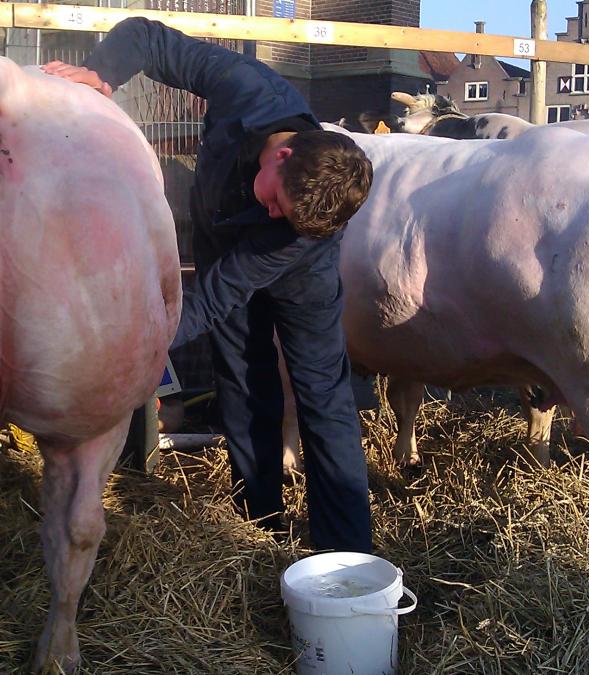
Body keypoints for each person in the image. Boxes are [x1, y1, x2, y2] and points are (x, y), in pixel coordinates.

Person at [43, 17, 374, 553]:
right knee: (244, 381)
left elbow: (215, 296)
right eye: (274, 202)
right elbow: (149, 37)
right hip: (225, 243)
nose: (272, 213)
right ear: (282, 153)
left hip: (303, 278)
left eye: (282, 214)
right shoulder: (249, 88)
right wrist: (103, 74)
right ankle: (260, 523)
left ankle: (345, 554)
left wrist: (135, 341)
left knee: (323, 396)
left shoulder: (298, 231)